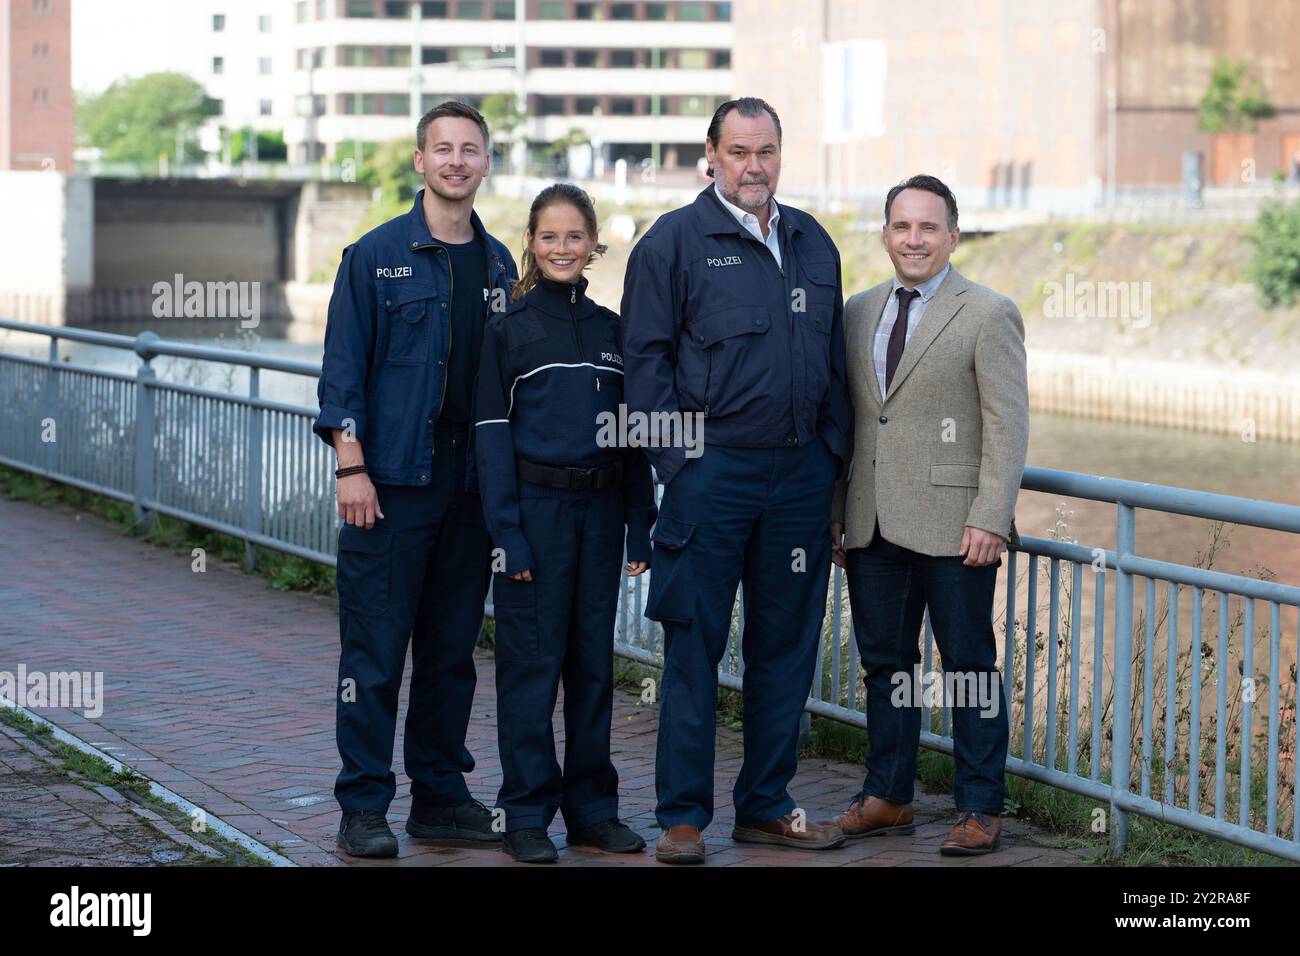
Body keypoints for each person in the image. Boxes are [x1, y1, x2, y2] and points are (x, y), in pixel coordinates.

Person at [621, 97, 852, 864]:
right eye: (740, 152)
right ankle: (682, 818)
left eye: (768, 152)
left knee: (784, 650)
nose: (755, 167)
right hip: (711, 473)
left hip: (797, 482)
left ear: (782, 155)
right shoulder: (673, 244)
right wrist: (680, 465)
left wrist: (829, 465)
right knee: (693, 648)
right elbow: (644, 368)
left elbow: (834, 368)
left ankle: (766, 805)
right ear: (711, 157)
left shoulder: (814, 243)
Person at [314, 101, 518, 858]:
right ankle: (363, 806)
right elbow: (342, 376)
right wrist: (352, 465)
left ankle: (438, 797)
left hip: (470, 492)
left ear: (486, 163)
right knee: (373, 653)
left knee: (449, 652)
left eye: (470, 149)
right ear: (419, 161)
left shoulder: (500, 265)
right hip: (392, 485)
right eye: (443, 149)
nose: (456, 161)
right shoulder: (374, 256)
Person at [823, 174, 1029, 856]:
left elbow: (1006, 425)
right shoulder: (856, 310)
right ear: (885, 235)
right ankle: (889, 796)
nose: (914, 239)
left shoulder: (988, 312)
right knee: (887, 667)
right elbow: (853, 420)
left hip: (955, 525)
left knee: (969, 665)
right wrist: (836, 510)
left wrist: (991, 516)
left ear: (952, 236)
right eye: (902, 227)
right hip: (871, 521)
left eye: (928, 227)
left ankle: (979, 806)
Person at [474, 183, 656, 864]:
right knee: (530, 668)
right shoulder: (507, 330)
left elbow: (633, 434)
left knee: (591, 669)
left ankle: (591, 812)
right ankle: (524, 814)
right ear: (530, 242)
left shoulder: (613, 330)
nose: (561, 248)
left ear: (592, 245)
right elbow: (491, 438)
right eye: (548, 237)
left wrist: (641, 523)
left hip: (602, 515)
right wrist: (508, 534)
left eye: (574, 237)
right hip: (535, 516)